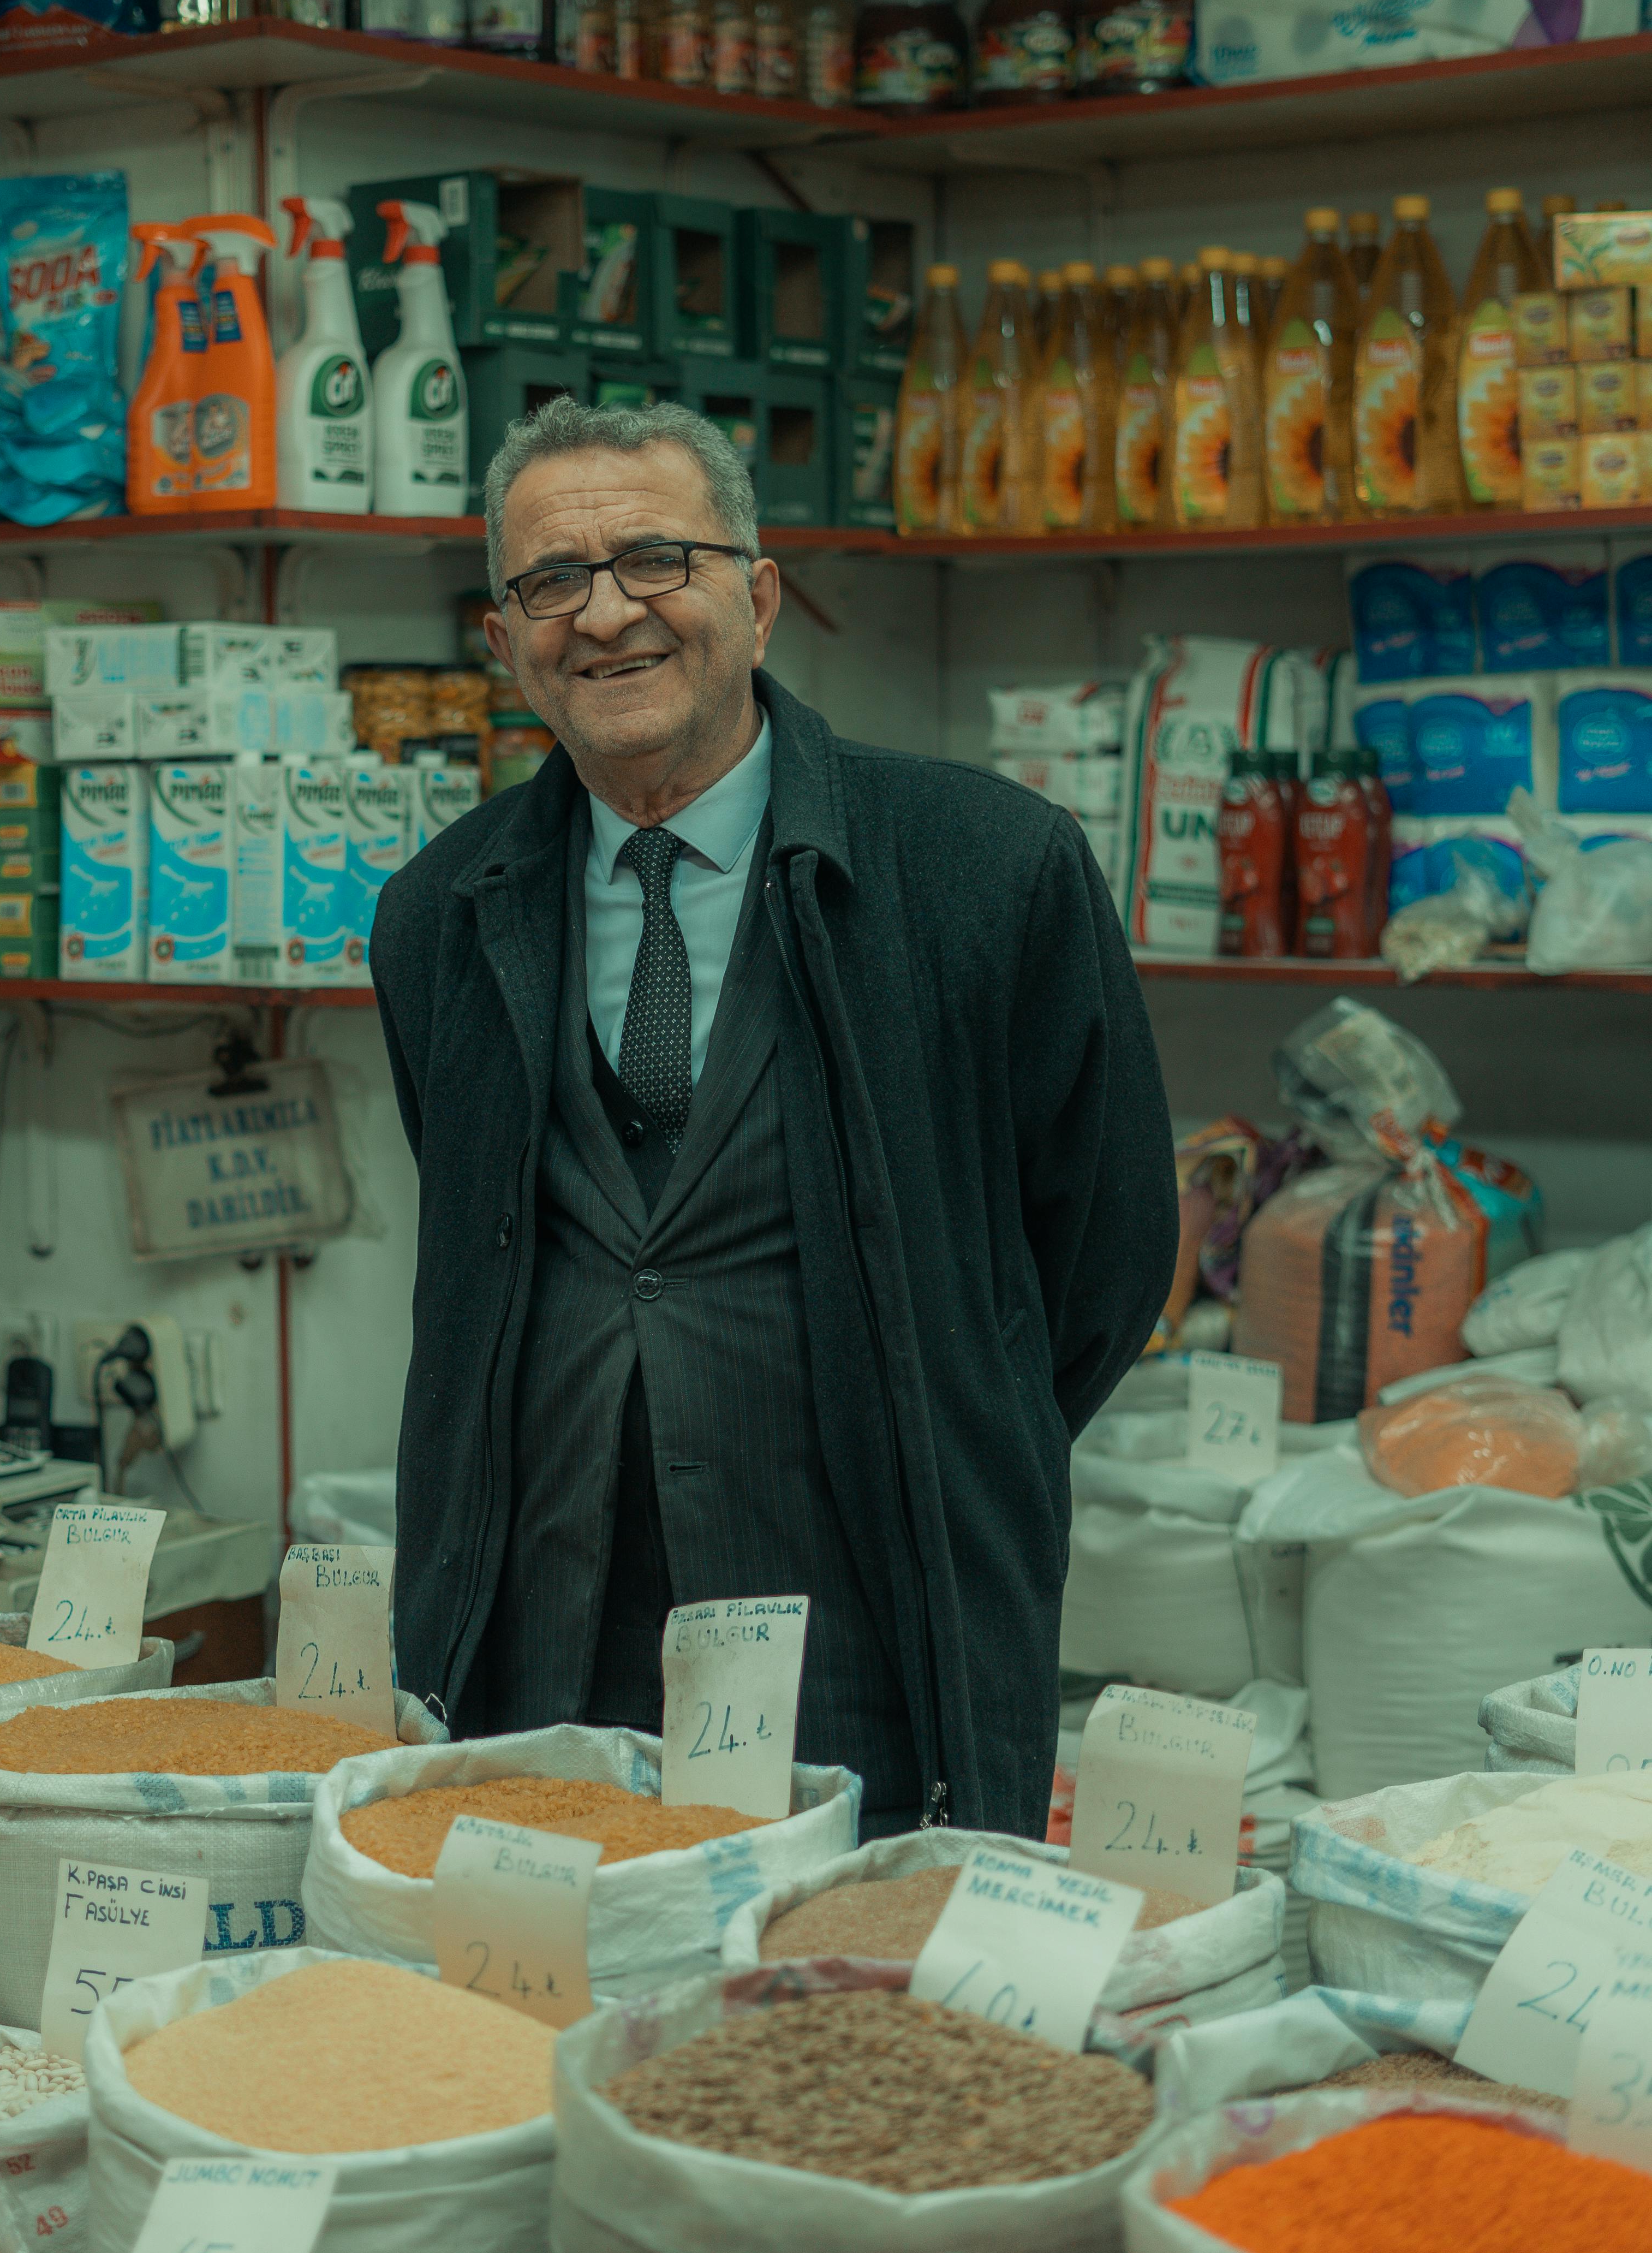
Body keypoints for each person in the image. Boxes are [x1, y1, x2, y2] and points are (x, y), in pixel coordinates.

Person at [369, 395, 1177, 1836]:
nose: (606, 614)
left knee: (843, 2027)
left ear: (758, 596)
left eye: (656, 560)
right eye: (552, 582)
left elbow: (1100, 1256)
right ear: (502, 646)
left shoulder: (986, 873)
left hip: (871, 1618)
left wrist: (948, 1421)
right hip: (545, 1640)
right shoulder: (442, 914)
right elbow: (486, 1232)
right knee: (548, 2031)